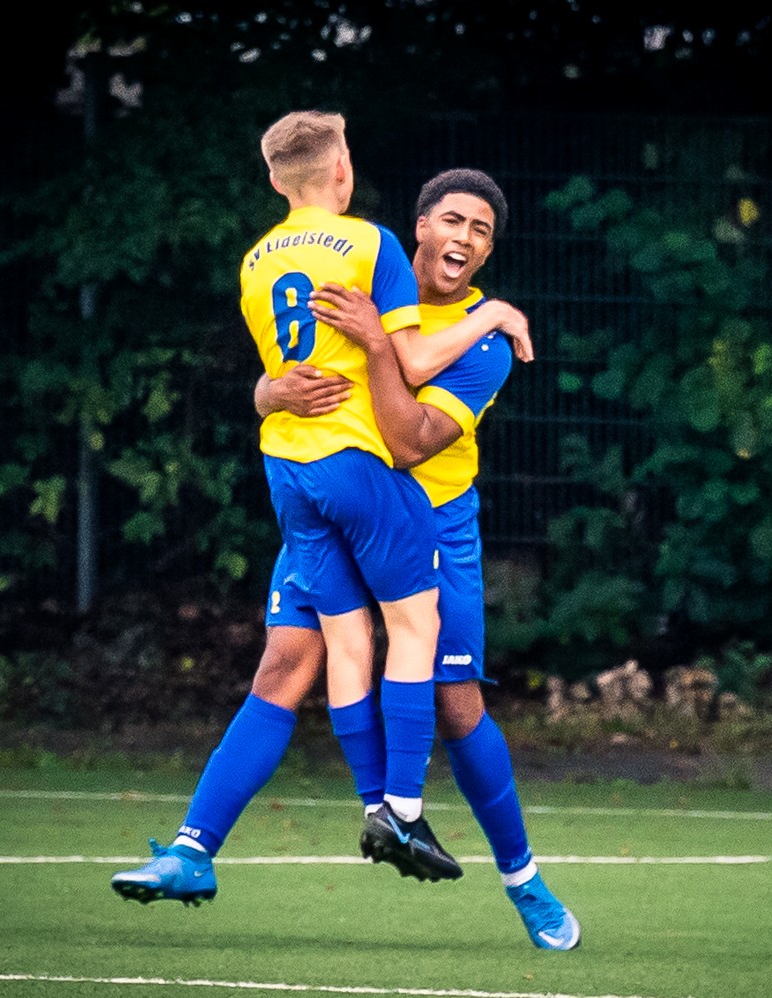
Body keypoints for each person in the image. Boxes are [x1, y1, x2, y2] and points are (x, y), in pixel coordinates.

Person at [112, 167, 580, 951]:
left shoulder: (487, 345)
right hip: (336, 506)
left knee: (458, 702)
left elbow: (407, 441)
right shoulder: (354, 272)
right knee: (282, 667)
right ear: (419, 227)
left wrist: (376, 344)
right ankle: (192, 851)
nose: (464, 239)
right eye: (453, 221)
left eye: (482, 233)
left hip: (429, 521)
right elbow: (276, 383)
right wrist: (269, 396)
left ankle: (522, 879)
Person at [111, 109, 465, 896]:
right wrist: (488, 323)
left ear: (275, 180)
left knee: (340, 644)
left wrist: (269, 389)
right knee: (413, 625)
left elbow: (282, 373)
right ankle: (399, 807)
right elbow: (404, 366)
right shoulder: (372, 244)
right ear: (343, 172)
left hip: (288, 474)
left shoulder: (256, 261)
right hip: (359, 467)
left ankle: (218, 847)